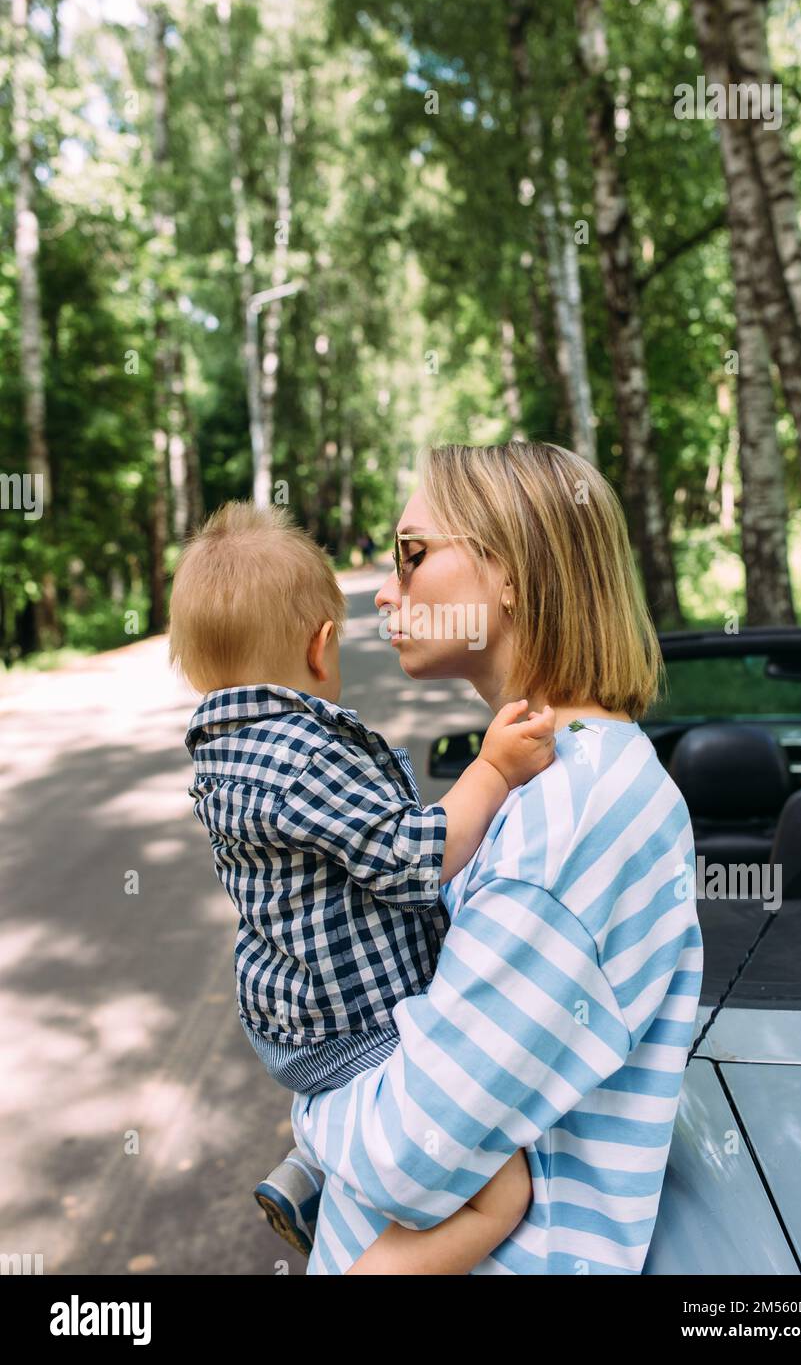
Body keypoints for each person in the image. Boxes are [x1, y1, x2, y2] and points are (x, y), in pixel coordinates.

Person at [260, 439, 703, 1274]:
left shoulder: (578, 811)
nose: (385, 595)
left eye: (413, 555)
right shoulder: (541, 785)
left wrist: (308, 1097)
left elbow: (408, 1150)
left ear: (512, 572)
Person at [169, 500, 556, 1271]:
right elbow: (414, 855)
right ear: (320, 647)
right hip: (354, 1026)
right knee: (503, 1190)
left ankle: (309, 1168)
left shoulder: (220, 753)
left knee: (345, 1098)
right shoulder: (307, 756)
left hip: (291, 1026)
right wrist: (492, 770)